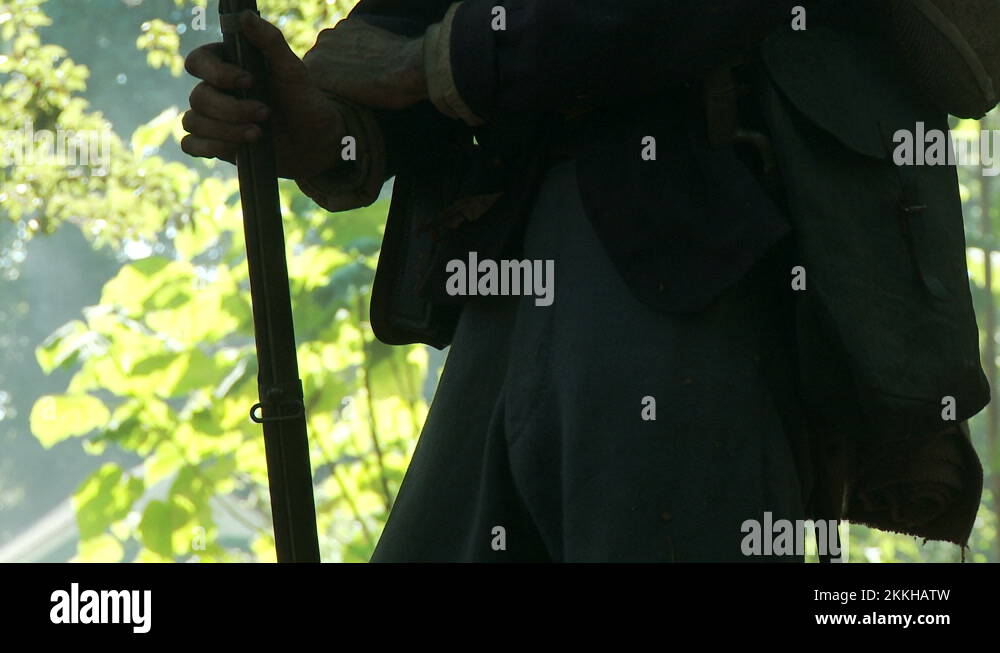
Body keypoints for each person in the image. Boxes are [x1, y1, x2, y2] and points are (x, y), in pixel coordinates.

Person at [183, 0, 995, 561]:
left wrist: (433, 61)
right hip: (512, 281)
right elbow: (403, 46)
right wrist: (328, 130)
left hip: (707, 250)